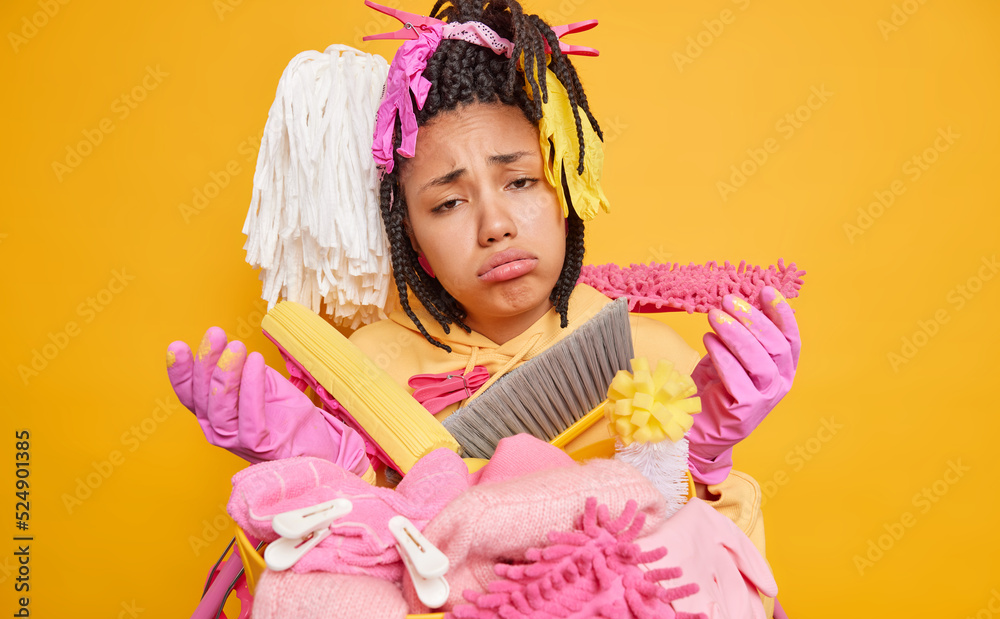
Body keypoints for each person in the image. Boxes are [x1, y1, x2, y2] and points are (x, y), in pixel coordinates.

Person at [166, 0, 798, 562]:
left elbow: (716, 612)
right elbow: (359, 574)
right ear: (408, 232)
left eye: (519, 181)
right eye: (448, 204)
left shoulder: (655, 363)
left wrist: (705, 456)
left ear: (568, 180)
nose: (495, 225)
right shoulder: (365, 373)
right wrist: (309, 456)